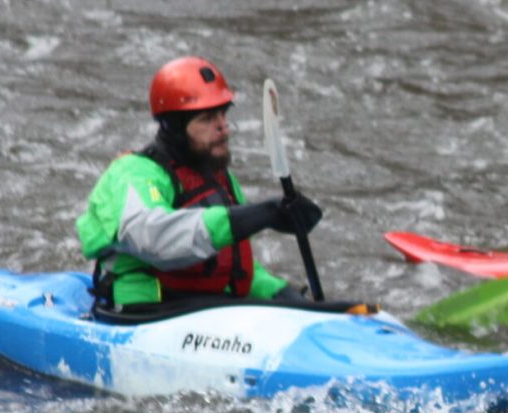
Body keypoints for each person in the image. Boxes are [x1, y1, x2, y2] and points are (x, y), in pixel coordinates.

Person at [76, 56, 323, 312]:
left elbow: (236, 266)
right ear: (174, 127)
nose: (223, 127)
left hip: (207, 310)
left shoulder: (218, 177)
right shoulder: (134, 173)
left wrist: (281, 294)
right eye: (206, 119)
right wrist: (262, 214)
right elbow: (154, 238)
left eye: (222, 114)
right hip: (147, 312)